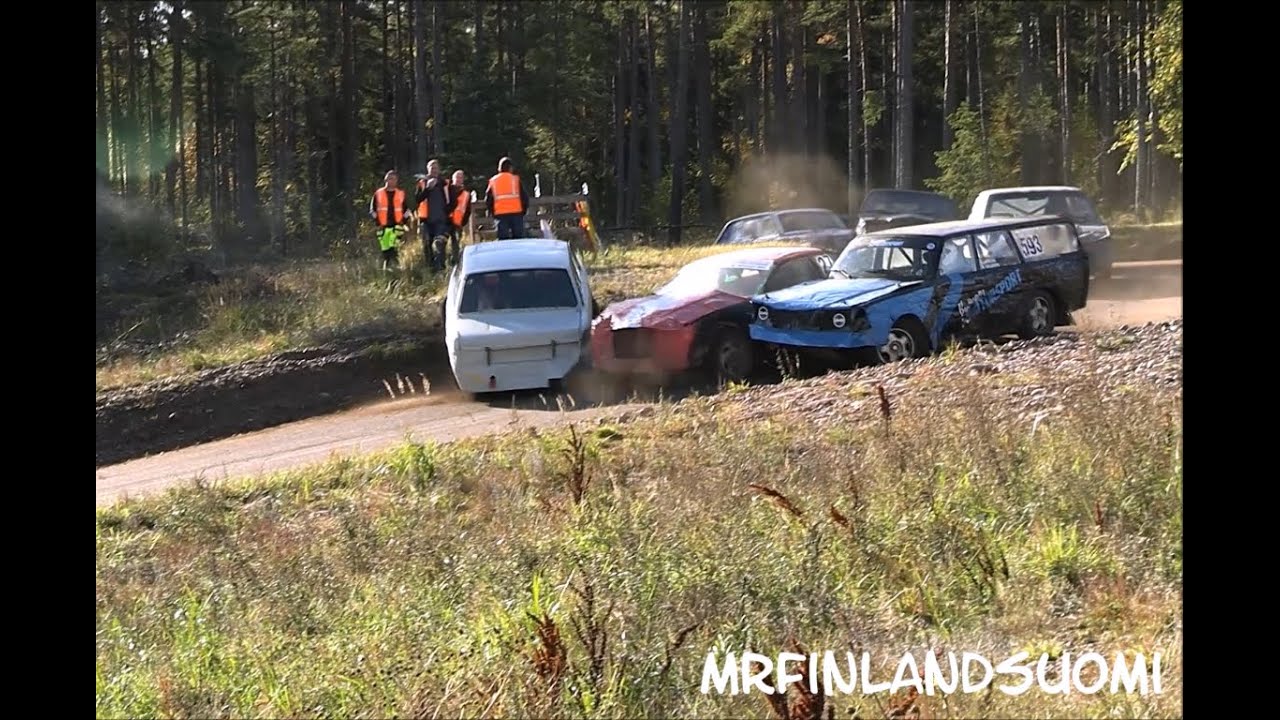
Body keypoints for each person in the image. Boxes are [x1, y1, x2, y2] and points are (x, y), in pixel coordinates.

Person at [415, 159, 454, 272]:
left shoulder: (444, 183)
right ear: (428, 169)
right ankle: (430, 268)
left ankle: (440, 268)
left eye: (436, 168)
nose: (434, 170)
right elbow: (417, 199)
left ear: (439, 169)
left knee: (440, 244)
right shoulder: (422, 182)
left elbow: (451, 201)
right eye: (432, 168)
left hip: (441, 220)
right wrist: (427, 188)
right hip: (426, 220)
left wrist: (449, 217)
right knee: (427, 244)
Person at [368, 170, 409, 270]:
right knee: (385, 249)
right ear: (385, 179)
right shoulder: (378, 193)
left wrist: (403, 221)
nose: (392, 181)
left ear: (397, 181)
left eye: (394, 179)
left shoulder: (401, 194)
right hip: (383, 226)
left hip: (397, 226)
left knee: (394, 248)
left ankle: (396, 269)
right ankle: (387, 270)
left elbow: (406, 210)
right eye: (390, 178)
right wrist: (377, 221)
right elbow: (372, 210)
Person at [486, 157, 529, 240]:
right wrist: (523, 211)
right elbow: (524, 197)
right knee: (518, 240)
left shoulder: (493, 181)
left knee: (503, 241)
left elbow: (488, 200)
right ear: (510, 168)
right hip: (516, 214)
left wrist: (493, 213)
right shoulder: (515, 179)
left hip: (500, 215)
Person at [447, 169, 472, 267]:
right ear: (453, 179)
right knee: (443, 244)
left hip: (458, 223)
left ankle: (455, 264)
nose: (458, 179)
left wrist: (463, 222)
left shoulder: (466, 194)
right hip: (446, 222)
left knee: (456, 245)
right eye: (457, 177)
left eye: (461, 177)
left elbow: (468, 210)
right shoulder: (447, 190)